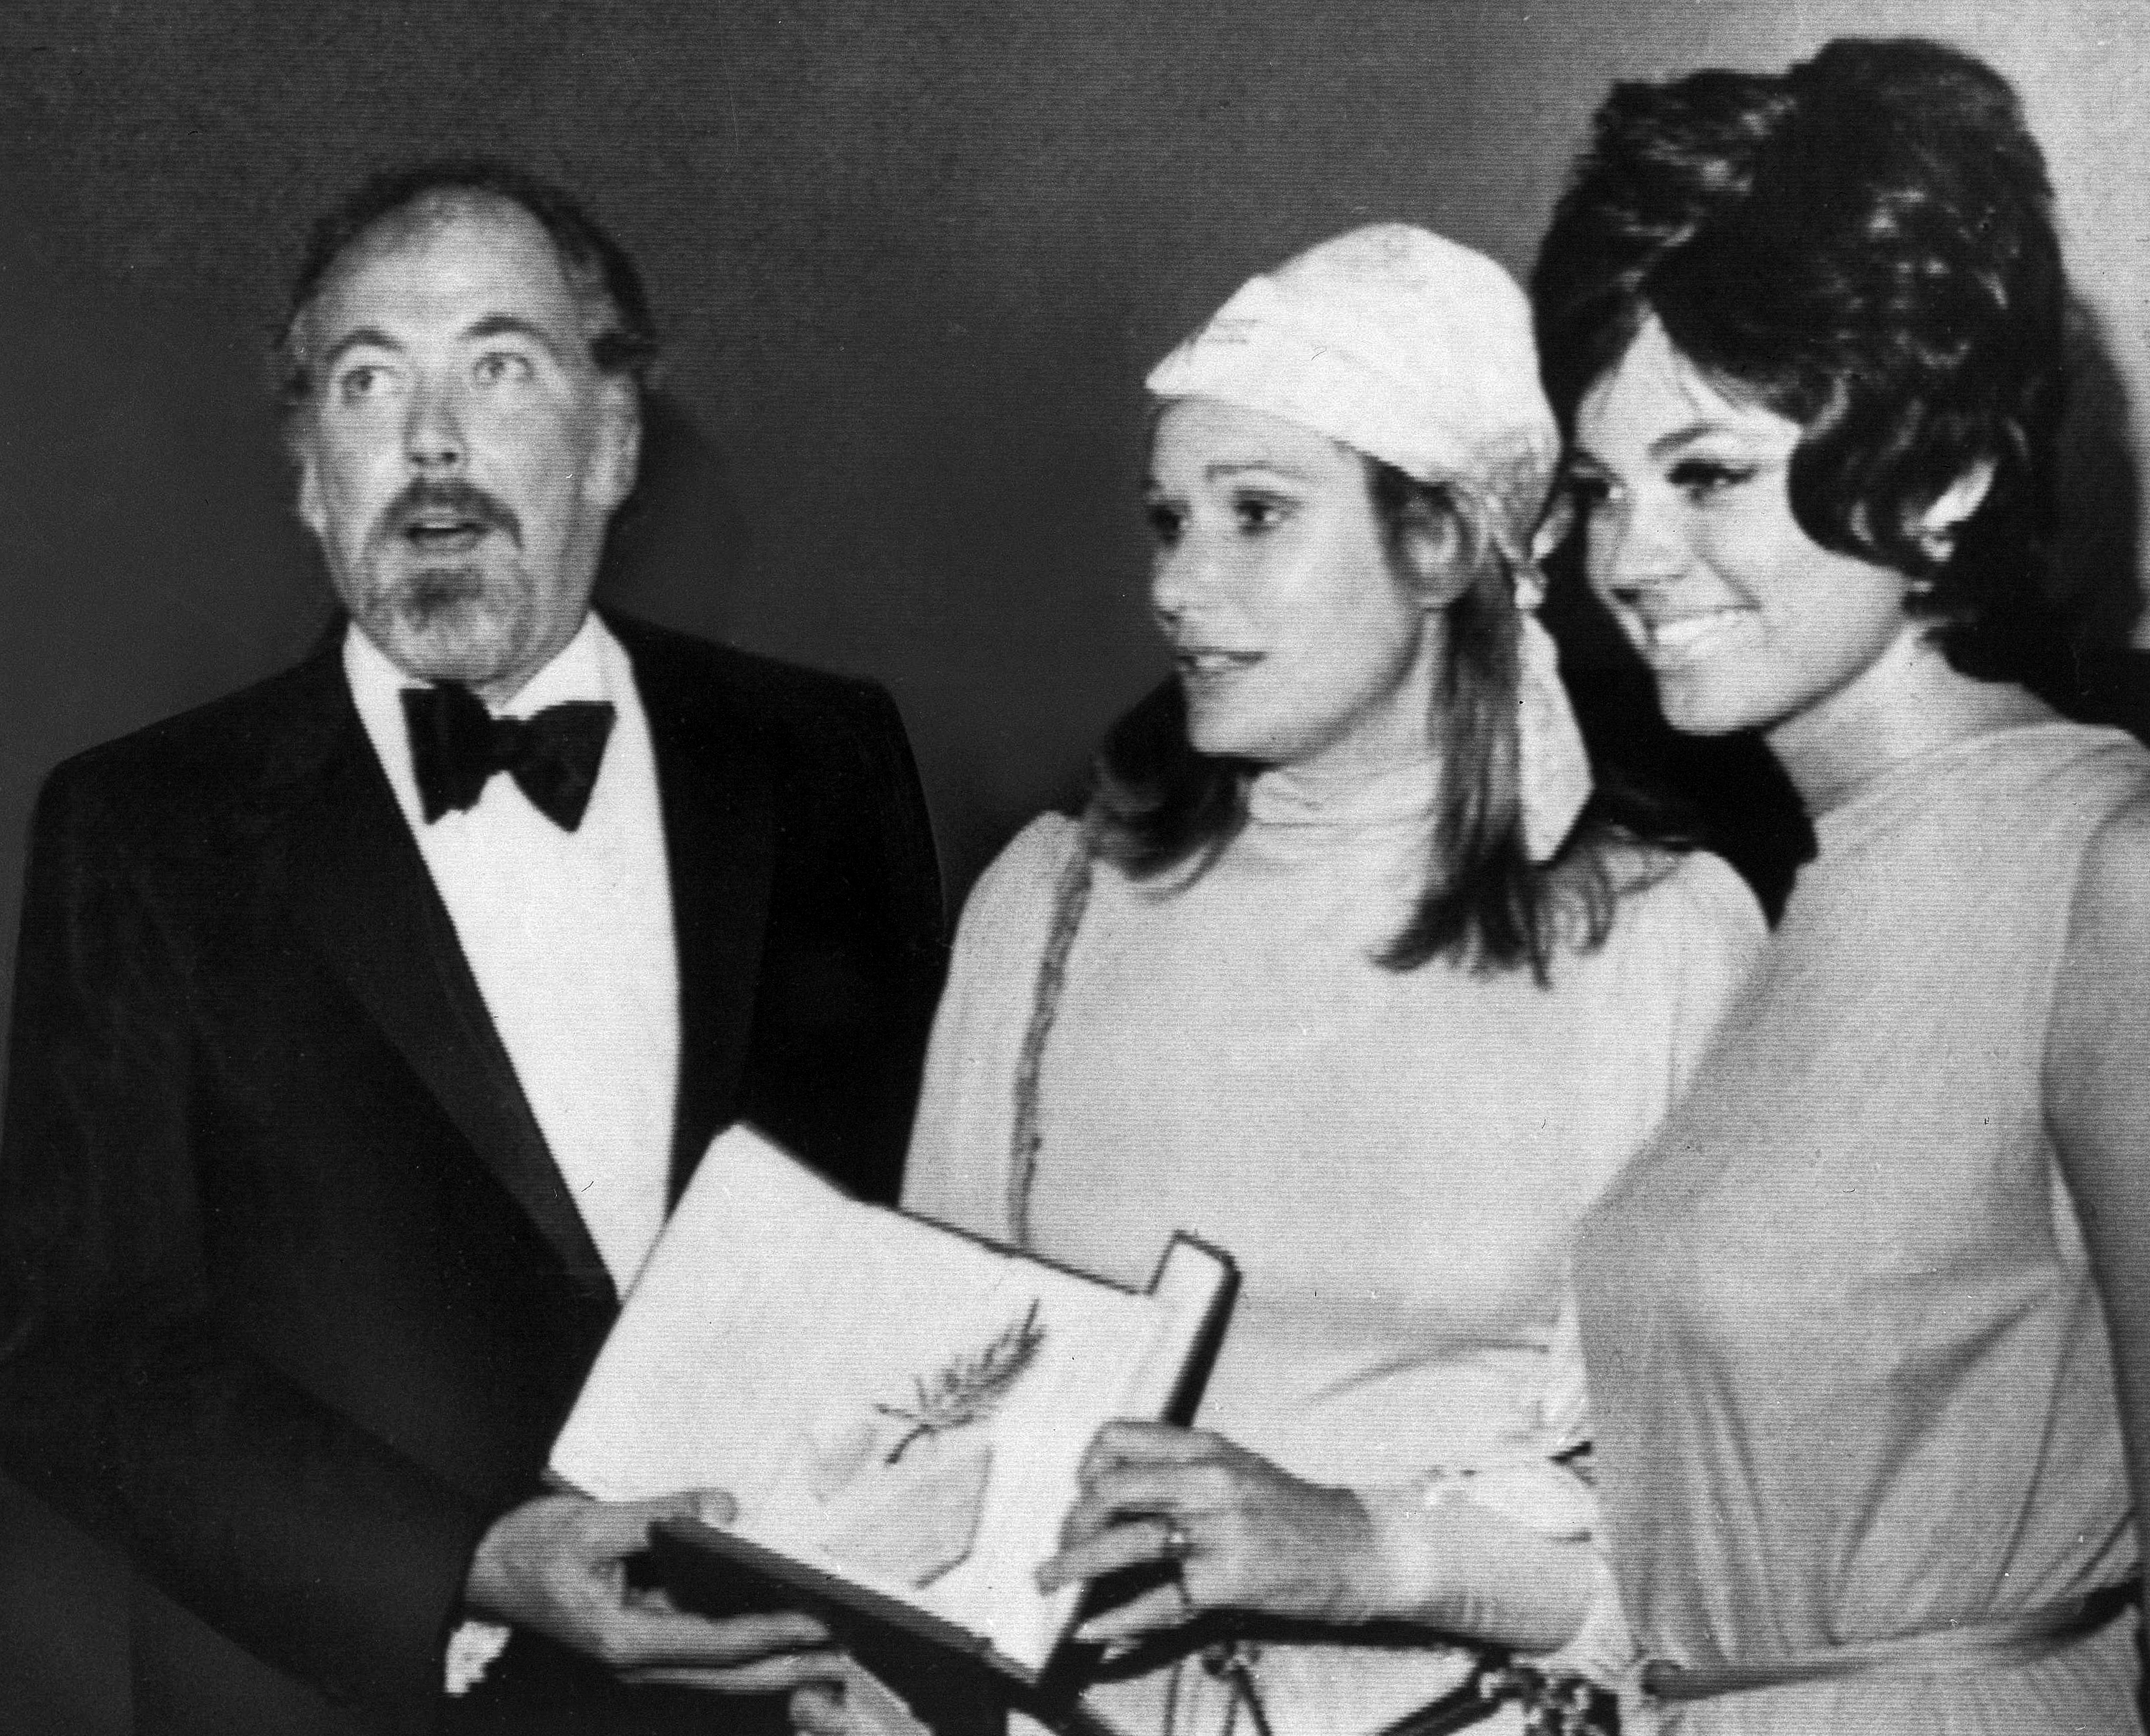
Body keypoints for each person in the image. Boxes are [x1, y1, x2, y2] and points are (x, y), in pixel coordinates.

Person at [0, 160, 948, 1735]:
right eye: (369, 384)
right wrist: (468, 1566)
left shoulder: (827, 758)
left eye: (499, 368)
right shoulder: (141, 829)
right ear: (310, 476)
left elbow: (909, 1226)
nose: (431, 441)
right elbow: (71, 1349)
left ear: (616, 440)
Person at [844, 226, 1765, 1736]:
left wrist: (1365, 1552)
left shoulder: (1662, 942)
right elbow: (926, 1429)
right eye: (1168, 521)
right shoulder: (1047, 905)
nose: (1177, 584)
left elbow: (1745, 1554)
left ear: (1442, 543)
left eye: (1257, 514)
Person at [1532, 37, 2150, 1732]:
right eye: (1600, 489)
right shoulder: (1809, 888)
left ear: (1943, 475)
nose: (1631, 558)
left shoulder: (2107, 878)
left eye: (1707, 473)